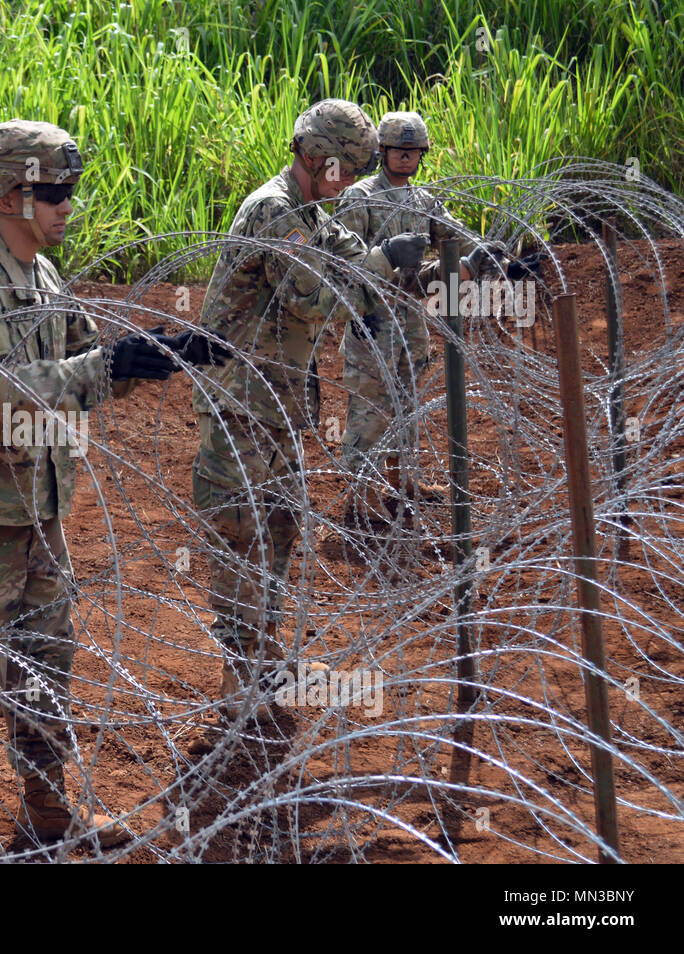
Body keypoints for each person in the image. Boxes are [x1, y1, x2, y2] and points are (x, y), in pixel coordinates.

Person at [0, 119, 218, 848]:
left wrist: (162, 355)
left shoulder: (44, 279)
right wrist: (105, 367)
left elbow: (85, 367)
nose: (67, 206)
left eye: (71, 191)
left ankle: (47, 817)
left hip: (40, 512)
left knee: (47, 674)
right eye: (54, 193)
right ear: (10, 196)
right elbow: (1, 394)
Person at [189, 100, 429, 749]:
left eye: (356, 171)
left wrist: (422, 264)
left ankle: (267, 663)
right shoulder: (274, 211)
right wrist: (381, 264)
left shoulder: (314, 214)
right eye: (344, 169)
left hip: (276, 397)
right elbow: (316, 295)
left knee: (281, 526)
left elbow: (358, 259)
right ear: (316, 157)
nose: (350, 182)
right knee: (242, 538)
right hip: (240, 400)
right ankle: (240, 681)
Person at [332, 110, 512, 520]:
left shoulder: (422, 201)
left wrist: (491, 252)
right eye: (399, 150)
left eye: (414, 152)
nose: (407, 159)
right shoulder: (360, 197)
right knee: (370, 409)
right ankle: (360, 501)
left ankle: (399, 483)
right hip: (371, 318)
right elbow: (347, 264)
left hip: (410, 318)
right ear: (382, 151)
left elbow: (456, 235)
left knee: (407, 404)